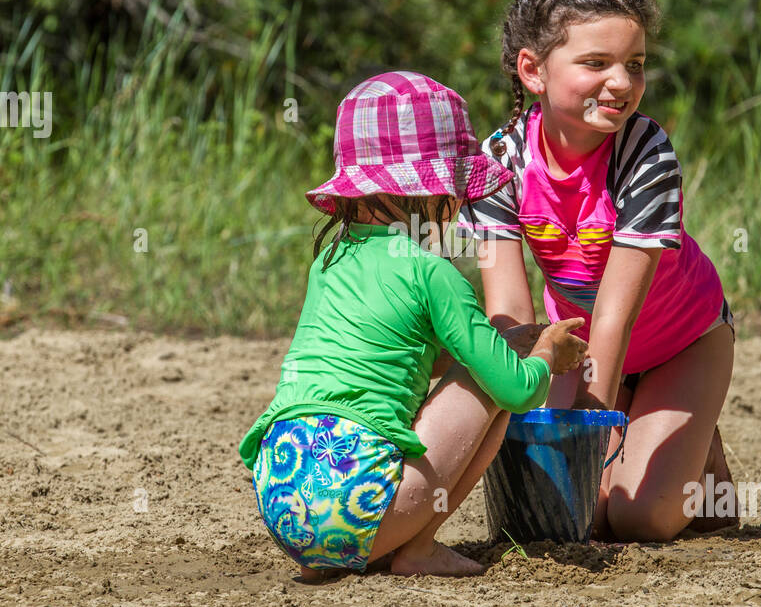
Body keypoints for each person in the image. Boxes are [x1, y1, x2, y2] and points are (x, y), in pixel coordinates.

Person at [239, 70, 588, 580]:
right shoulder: (433, 272)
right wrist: (545, 354)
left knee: (480, 365)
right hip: (356, 505)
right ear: (436, 193)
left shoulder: (330, 260)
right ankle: (416, 547)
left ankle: (348, 553)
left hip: (283, 499)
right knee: (493, 386)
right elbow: (517, 390)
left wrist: (499, 344)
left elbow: (392, 356)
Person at [459, 0, 739, 542]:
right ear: (533, 70)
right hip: (578, 344)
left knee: (641, 521)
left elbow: (616, 314)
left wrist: (581, 438)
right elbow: (508, 309)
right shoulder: (499, 160)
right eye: (596, 63)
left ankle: (700, 451)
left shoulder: (645, 153)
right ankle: (638, 420)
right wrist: (514, 407)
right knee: (573, 515)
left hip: (681, 344)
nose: (621, 82)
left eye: (634, 64)